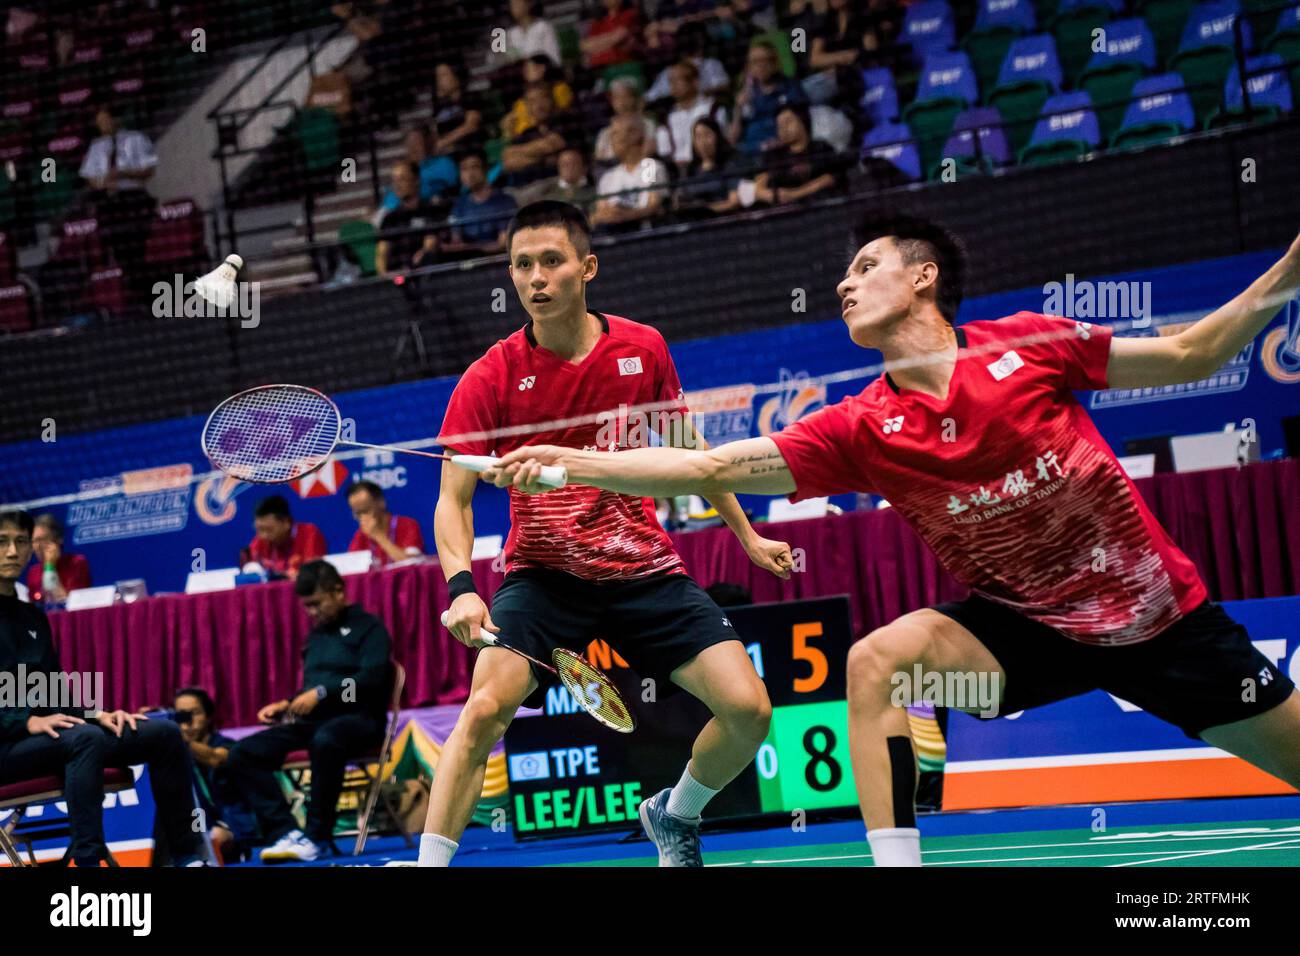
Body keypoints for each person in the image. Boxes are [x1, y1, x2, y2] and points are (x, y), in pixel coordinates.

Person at [486, 216, 1300, 868]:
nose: (843, 283)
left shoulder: (1029, 345)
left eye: (865, 266)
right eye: (843, 274)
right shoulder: (862, 426)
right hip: (1024, 635)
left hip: (1166, 628)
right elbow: (709, 462)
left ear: (923, 277)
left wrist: (1289, 269)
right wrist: (570, 462)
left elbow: (1198, 350)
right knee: (877, 662)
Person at [417, 201, 793, 869]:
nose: (537, 278)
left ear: (587, 267)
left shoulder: (641, 348)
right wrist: (462, 590)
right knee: (483, 712)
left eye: (552, 261)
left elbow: (688, 450)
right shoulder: (490, 377)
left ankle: (674, 813)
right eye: (523, 265)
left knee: (749, 711)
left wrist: (745, 536)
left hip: (642, 567)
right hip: (543, 576)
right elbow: (453, 500)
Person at [0, 510, 208, 867]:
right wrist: (24, 720)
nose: (12, 552)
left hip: (41, 739)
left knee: (163, 734)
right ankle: (88, 861)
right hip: (5, 743)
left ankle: (187, 856)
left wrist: (98, 715)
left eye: (21, 542)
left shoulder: (33, 617)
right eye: (2, 542)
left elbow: (53, 692)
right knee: (83, 740)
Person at [224, 561, 392, 863]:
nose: (312, 613)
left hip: (360, 720)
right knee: (242, 753)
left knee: (326, 740)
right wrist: (288, 704)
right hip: (315, 722)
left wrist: (323, 693)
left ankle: (316, 837)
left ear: (338, 591)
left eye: (316, 604)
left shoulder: (370, 628)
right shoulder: (315, 637)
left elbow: (373, 679)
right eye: (306, 607)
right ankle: (286, 832)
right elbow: (314, 686)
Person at [171, 687, 258, 864]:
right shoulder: (174, 753)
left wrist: (183, 741)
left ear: (208, 715)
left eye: (194, 713)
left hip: (231, 827)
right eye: (182, 715)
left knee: (214, 837)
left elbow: (216, 759)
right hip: (195, 825)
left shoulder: (227, 744)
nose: (189, 721)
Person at [79, 103, 157, 297]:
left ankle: (146, 293)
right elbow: (89, 177)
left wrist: (123, 174)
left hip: (132, 200)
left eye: (105, 121)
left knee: (137, 248)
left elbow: (148, 171)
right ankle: (128, 293)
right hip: (108, 203)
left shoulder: (136, 139)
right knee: (116, 249)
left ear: (116, 120)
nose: (102, 126)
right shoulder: (97, 147)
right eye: (99, 123)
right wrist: (102, 182)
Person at [749, 103, 842, 206]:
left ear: (802, 121)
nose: (783, 129)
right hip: (784, 213)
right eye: (779, 126)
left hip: (822, 207)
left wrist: (794, 194)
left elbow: (830, 178)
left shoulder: (821, 147)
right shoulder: (773, 155)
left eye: (788, 122)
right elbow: (757, 188)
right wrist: (771, 195)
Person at [729, 39, 808, 156]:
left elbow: (801, 128)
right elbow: (732, 139)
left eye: (765, 60)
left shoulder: (790, 87)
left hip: (780, 150)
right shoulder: (746, 93)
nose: (760, 66)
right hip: (751, 151)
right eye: (755, 62)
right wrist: (738, 108)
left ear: (775, 63)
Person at [591, 117, 671, 232]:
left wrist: (626, 216)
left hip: (644, 232)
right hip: (613, 234)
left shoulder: (651, 167)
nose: (612, 140)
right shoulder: (607, 177)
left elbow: (654, 206)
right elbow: (601, 211)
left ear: (634, 135)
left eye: (615, 134)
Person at [500, 83, 584, 190]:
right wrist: (543, 160)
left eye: (543, 98)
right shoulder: (527, 133)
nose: (538, 105)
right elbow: (508, 161)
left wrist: (519, 153)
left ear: (552, 101)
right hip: (531, 187)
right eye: (532, 101)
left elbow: (550, 144)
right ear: (527, 107)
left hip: (563, 183)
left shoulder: (566, 121)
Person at [655, 59, 729, 173]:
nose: (673, 85)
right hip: (679, 173)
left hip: (712, 167)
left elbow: (723, 140)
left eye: (677, 80)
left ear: (695, 82)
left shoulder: (713, 108)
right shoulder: (666, 118)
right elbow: (664, 151)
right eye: (670, 81)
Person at [442, 148, 518, 258]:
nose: (469, 174)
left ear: (486, 169)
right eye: (464, 169)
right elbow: (456, 242)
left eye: (475, 167)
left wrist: (469, 248)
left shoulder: (505, 201)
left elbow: (503, 244)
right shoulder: (459, 205)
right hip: (469, 263)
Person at [375, 161, 447, 276]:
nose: (397, 185)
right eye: (395, 180)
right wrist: (384, 275)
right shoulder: (390, 218)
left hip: (424, 273)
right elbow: (381, 253)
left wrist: (422, 255)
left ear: (416, 181)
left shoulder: (431, 210)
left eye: (402, 179)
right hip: (397, 276)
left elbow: (430, 243)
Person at [675, 116, 750, 215]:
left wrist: (706, 210)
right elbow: (679, 201)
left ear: (718, 136)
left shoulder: (729, 164)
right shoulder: (690, 169)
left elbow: (734, 201)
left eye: (707, 135)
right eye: (698, 137)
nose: (703, 142)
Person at [244, 495, 327, 580]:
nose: (263, 536)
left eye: (269, 530)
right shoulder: (258, 542)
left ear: (286, 523)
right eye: (259, 530)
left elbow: (312, 575)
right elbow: (250, 577)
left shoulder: (309, 534)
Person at [346, 480, 425, 567]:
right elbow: (352, 569)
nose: (362, 518)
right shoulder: (361, 535)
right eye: (358, 513)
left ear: (381, 502)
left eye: (365, 510)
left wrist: (378, 536)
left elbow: (411, 562)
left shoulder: (408, 525)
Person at [592, 77, 660, 172]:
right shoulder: (605, 132)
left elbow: (650, 149)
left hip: (642, 168)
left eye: (626, 96)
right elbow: (600, 158)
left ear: (634, 98)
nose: (622, 101)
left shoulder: (647, 124)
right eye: (617, 98)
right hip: (614, 172)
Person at [500, 55, 574, 139]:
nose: (524, 72)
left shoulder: (559, 88)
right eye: (524, 70)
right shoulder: (521, 100)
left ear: (542, 68)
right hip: (523, 138)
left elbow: (561, 112)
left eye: (528, 69)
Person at [25, 513, 90, 606]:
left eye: (42, 539)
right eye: (34, 541)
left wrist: (49, 567)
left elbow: (69, 605)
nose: (38, 546)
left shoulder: (76, 563)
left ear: (58, 540)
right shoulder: (33, 572)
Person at [432, 61, 486, 156]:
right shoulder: (439, 106)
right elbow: (435, 132)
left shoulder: (471, 97)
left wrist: (445, 142)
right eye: (438, 77)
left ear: (456, 75)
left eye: (443, 75)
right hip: (447, 153)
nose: (439, 81)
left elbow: (471, 126)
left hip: (470, 148)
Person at [530, 146, 597, 213]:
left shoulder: (595, 190)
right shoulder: (547, 193)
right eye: (564, 164)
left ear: (584, 167)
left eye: (573, 163)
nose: (568, 168)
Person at [581, 0, 642, 73]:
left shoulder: (630, 14)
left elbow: (620, 36)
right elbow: (584, 46)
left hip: (624, 69)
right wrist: (610, 40)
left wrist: (596, 44)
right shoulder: (597, 23)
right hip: (598, 70)